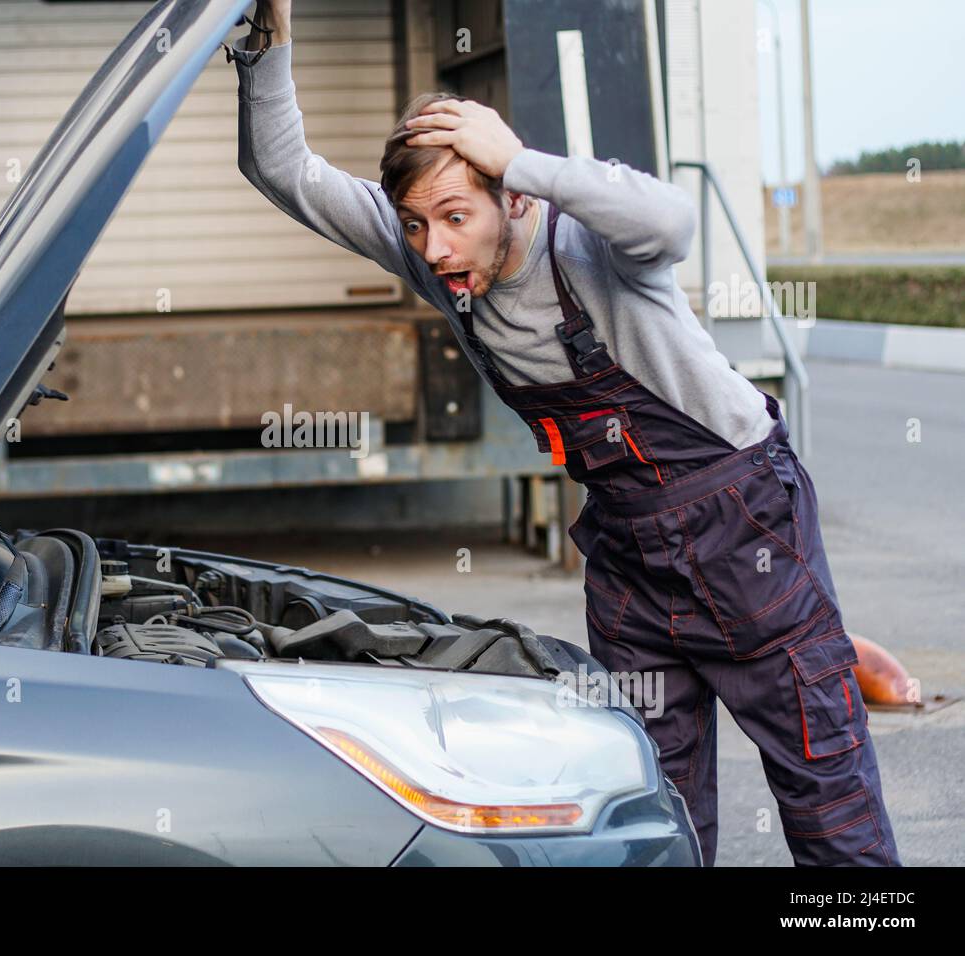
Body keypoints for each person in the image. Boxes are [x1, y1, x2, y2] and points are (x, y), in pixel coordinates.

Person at [230, 0, 900, 866]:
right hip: (627, 556)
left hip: (746, 535)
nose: (432, 249)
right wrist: (272, 45)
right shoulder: (439, 260)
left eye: (454, 216)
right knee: (649, 798)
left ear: (510, 196)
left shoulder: (590, 245)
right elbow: (282, 169)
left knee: (823, 784)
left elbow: (673, 221)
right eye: (414, 224)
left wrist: (523, 158)